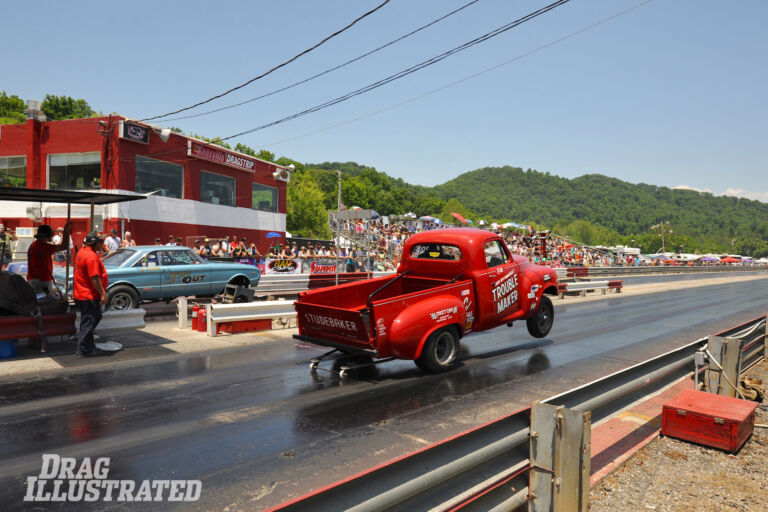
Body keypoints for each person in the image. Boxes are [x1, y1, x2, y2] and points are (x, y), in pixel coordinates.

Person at [73, 232, 108, 357]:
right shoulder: (91, 257)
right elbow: (94, 278)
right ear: (94, 243)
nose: (102, 244)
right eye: (101, 241)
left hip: (81, 293)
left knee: (87, 320)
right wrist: (103, 294)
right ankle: (83, 349)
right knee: (91, 320)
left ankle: (88, 347)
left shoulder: (82, 252)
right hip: (89, 295)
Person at [27, 223, 70, 294]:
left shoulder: (35, 245)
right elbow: (64, 246)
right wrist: (66, 231)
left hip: (35, 280)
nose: (52, 236)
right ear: (47, 235)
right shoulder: (42, 246)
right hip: (41, 281)